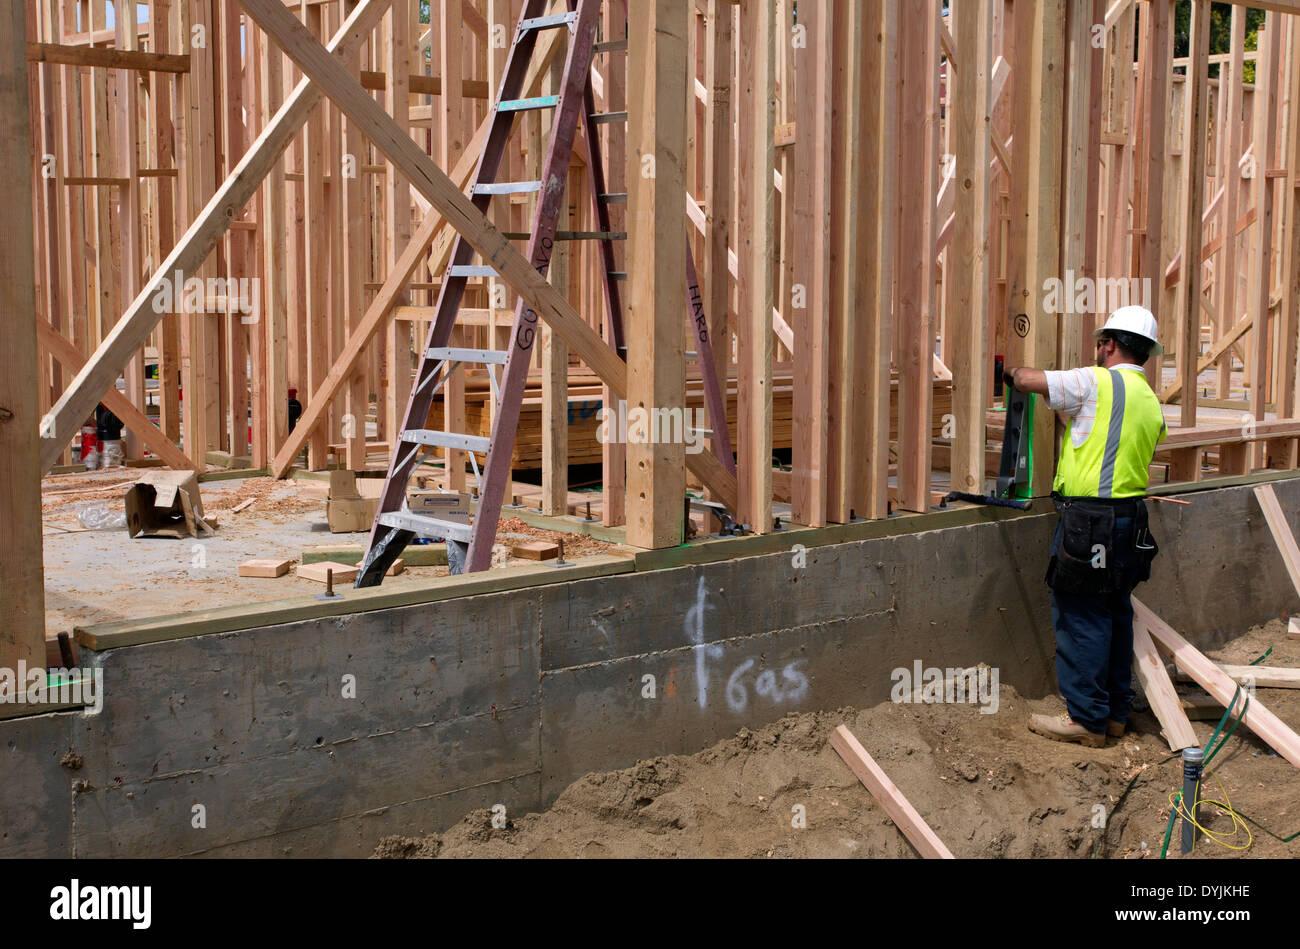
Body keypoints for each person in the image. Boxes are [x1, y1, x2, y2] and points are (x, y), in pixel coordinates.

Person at [1002, 306, 1167, 747]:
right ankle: (1113, 714)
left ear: (1109, 345)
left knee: (1081, 614)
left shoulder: (1096, 382)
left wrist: (1009, 368)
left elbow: (1029, 381)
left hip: (1090, 522)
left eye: (1100, 344)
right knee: (1114, 611)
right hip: (1130, 520)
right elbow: (1097, 434)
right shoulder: (1148, 399)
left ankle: (1086, 719)